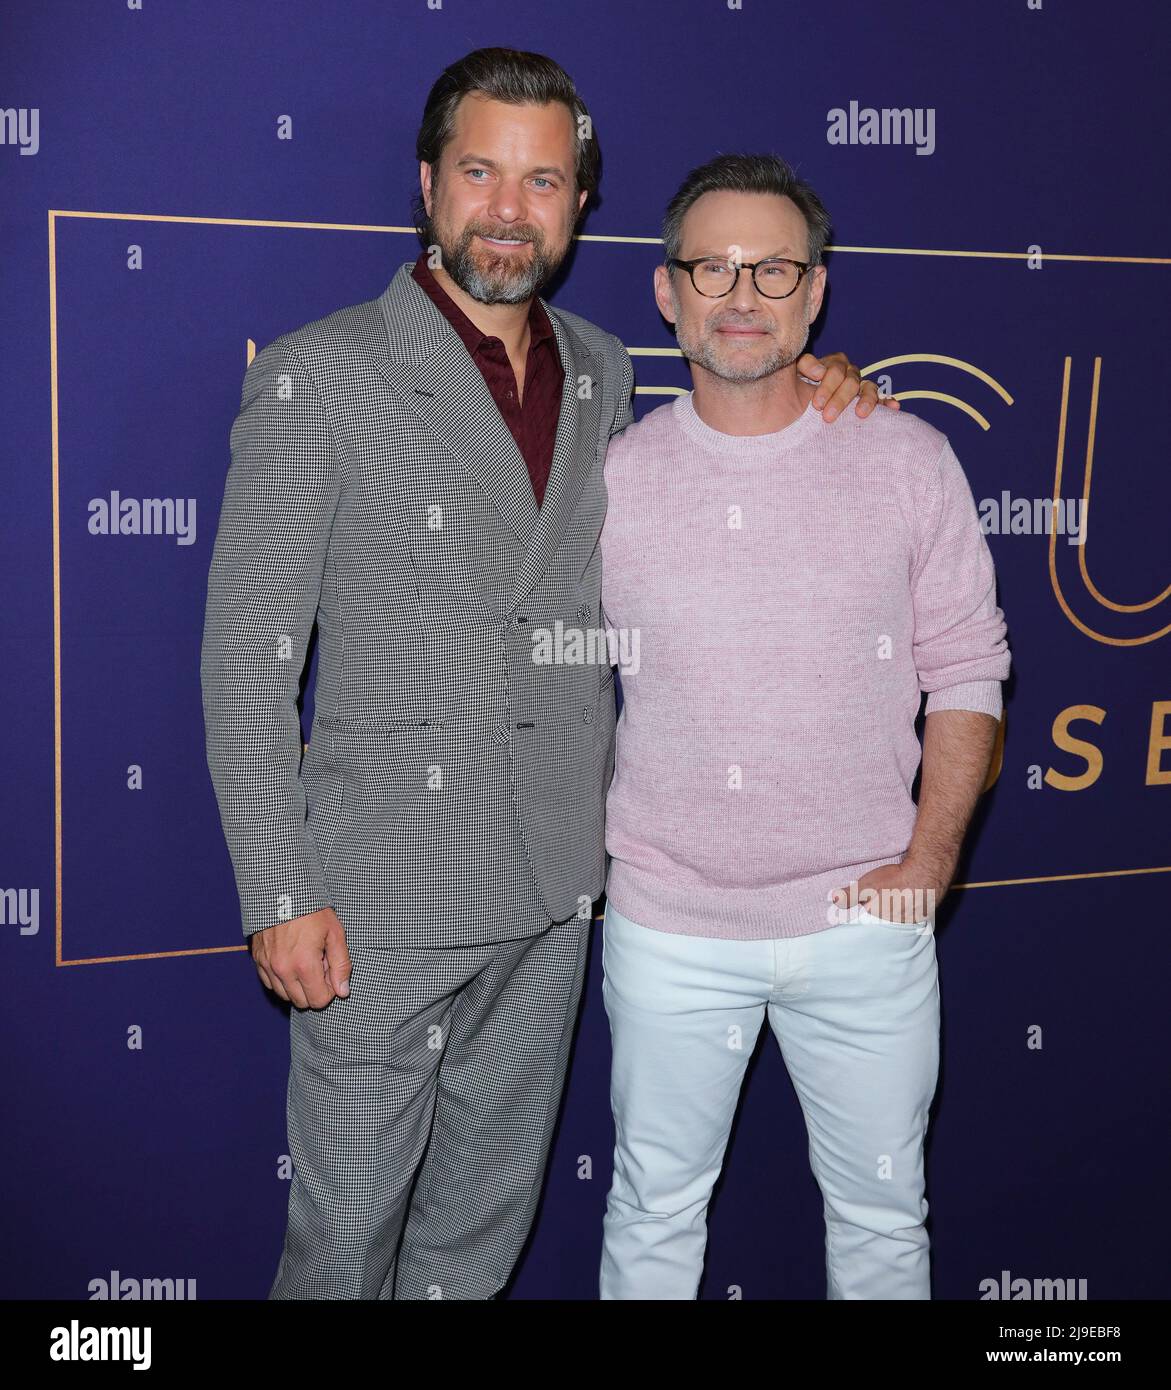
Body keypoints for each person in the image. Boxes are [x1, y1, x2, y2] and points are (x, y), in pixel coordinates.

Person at [200, 50, 888, 1301]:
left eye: (544, 181)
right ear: (428, 185)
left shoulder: (601, 368)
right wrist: (277, 886)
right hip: (378, 896)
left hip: (558, 881)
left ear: (578, 207)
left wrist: (825, 382)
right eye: (481, 173)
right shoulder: (324, 371)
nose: (509, 209)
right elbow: (248, 663)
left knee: (479, 1235)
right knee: (345, 1235)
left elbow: (733, 446)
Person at [598, 152, 1011, 1299]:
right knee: (651, 1211)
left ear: (815, 290)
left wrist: (928, 866)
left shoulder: (908, 458)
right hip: (668, 923)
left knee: (883, 1222)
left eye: (772, 268)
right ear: (664, 292)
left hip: (862, 927)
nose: (741, 294)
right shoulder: (609, 480)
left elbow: (970, 667)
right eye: (712, 267)